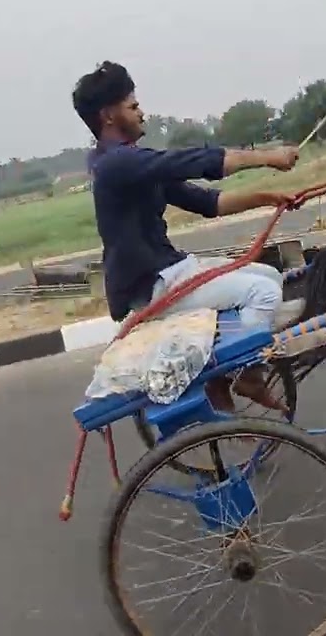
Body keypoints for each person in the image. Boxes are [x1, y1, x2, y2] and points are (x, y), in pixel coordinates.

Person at [71, 61, 300, 412]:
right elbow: (198, 162)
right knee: (263, 291)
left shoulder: (131, 165)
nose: (142, 113)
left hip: (170, 270)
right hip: (153, 285)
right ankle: (246, 372)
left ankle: (220, 375)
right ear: (109, 116)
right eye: (133, 106)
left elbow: (210, 202)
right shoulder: (118, 165)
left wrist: (268, 199)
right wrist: (269, 157)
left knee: (268, 275)